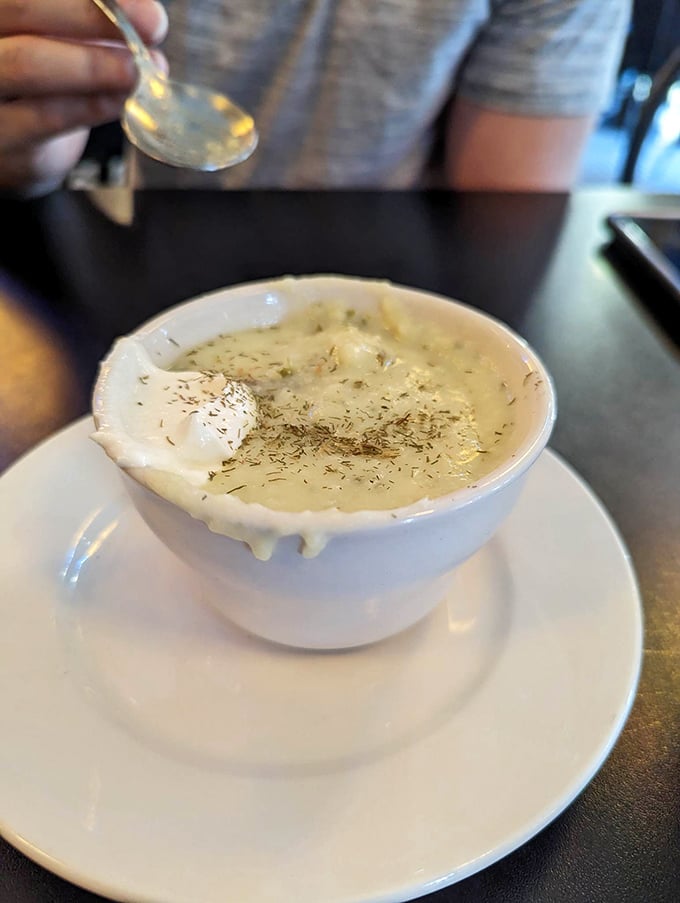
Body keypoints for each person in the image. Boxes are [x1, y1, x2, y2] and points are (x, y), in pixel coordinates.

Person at [0, 0, 631, 195]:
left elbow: (507, 215)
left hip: (400, 285)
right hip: (128, 265)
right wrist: (29, 145)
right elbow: (33, 157)